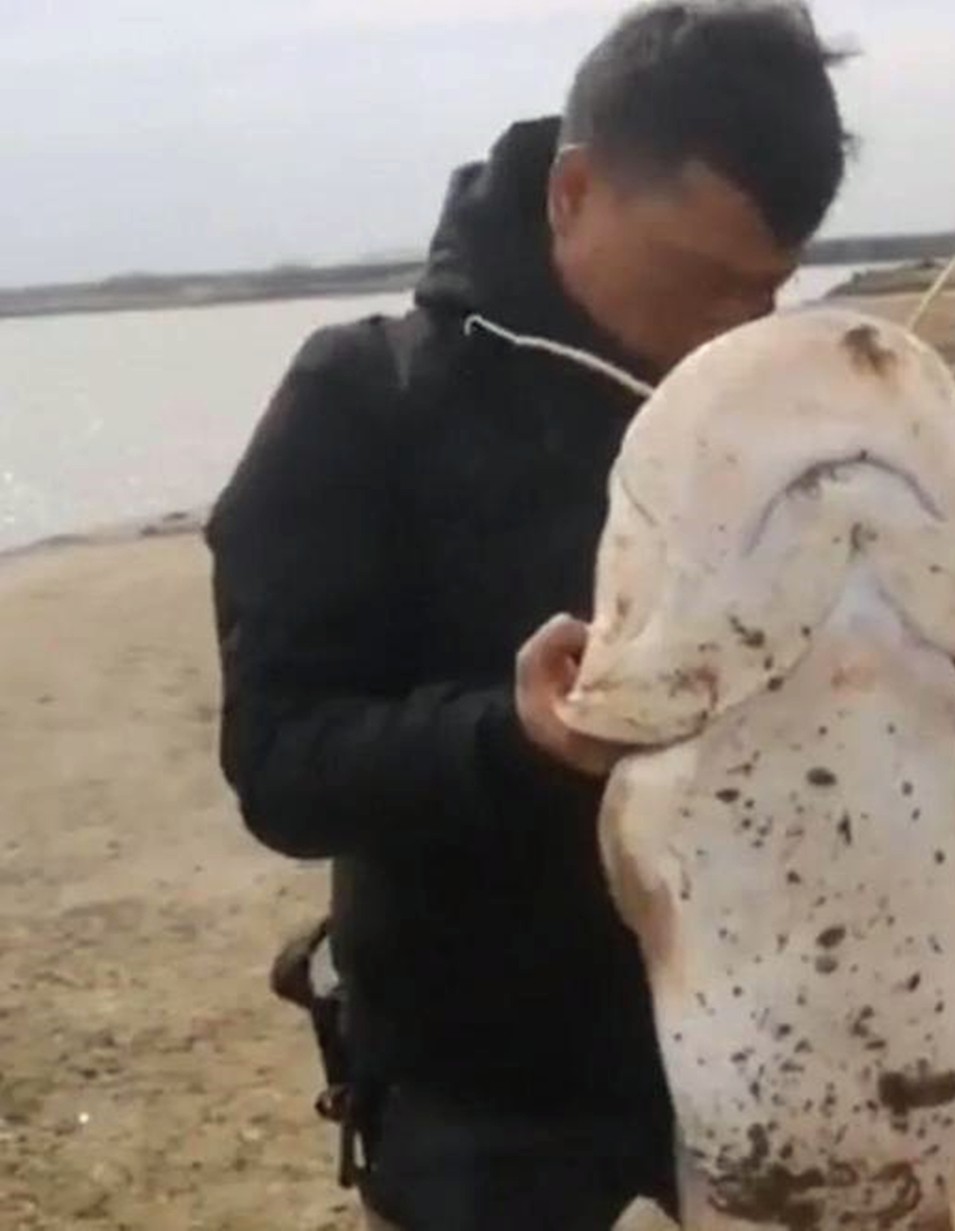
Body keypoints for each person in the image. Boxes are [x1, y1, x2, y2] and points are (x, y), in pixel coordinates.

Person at [204, 2, 851, 1228]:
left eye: (764, 294)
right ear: (571, 192)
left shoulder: (777, 419)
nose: (732, 332)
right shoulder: (361, 401)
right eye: (699, 283)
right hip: (484, 1108)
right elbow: (280, 764)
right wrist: (512, 735)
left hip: (768, 1040)